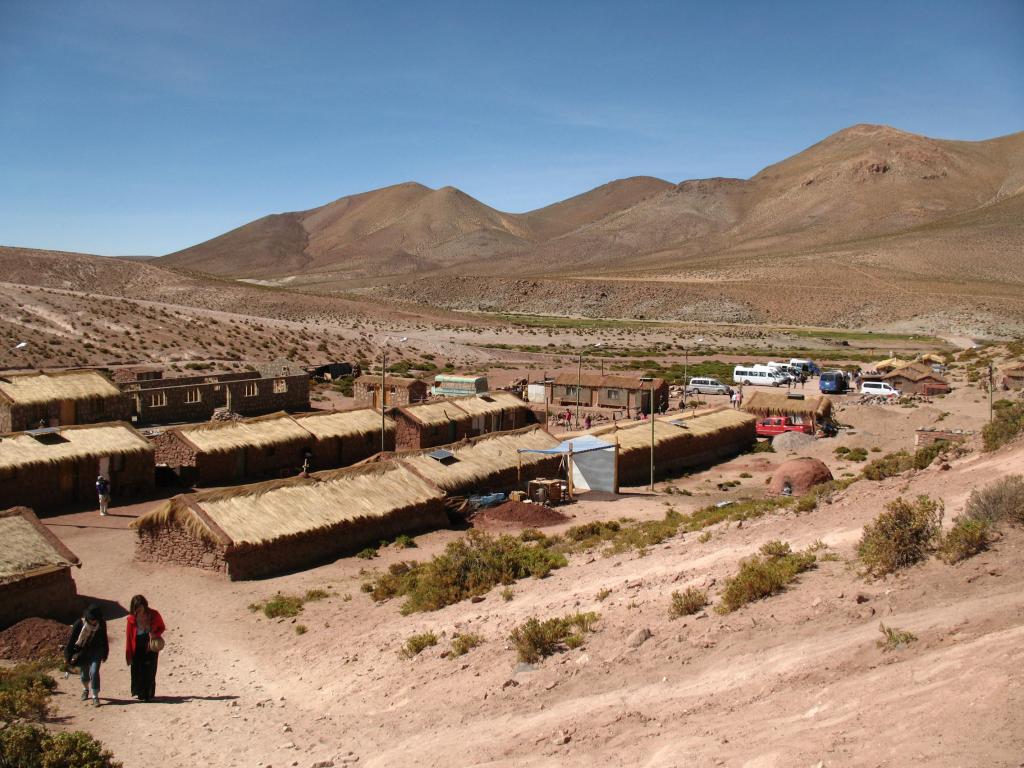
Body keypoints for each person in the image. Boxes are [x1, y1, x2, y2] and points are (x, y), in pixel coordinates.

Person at [64, 604, 109, 707]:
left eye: (96, 619)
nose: (94, 622)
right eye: (93, 619)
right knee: (84, 675)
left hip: (97, 650)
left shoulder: (101, 623)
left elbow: (104, 638)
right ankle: (85, 689)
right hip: (83, 652)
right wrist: (68, 657)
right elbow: (72, 641)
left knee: (94, 672)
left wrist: (105, 653)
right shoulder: (79, 624)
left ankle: (95, 696)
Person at [126, 595, 166, 701]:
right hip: (137, 646)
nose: (137, 610)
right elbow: (129, 637)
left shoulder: (154, 615)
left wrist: (155, 634)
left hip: (150, 645)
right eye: (135, 607)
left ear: (144, 605)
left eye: (139, 607)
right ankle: (140, 693)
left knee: (150, 670)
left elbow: (162, 627)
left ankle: (148, 694)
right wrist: (128, 653)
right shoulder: (131, 619)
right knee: (137, 670)